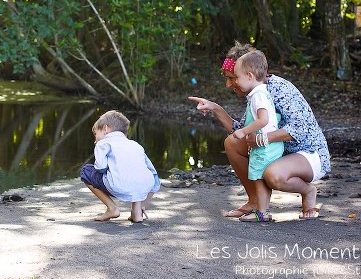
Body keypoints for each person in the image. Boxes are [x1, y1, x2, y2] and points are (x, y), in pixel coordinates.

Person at [189, 42, 331, 221]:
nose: (228, 84)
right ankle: (255, 203)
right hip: (278, 151)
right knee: (232, 142)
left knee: (273, 175)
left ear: (249, 75)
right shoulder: (255, 92)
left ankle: (308, 191)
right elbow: (241, 132)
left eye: (232, 78)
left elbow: (299, 129)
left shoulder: (278, 88)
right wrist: (216, 108)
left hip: (308, 154)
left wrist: (261, 140)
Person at [228, 50, 284, 222]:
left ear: (250, 76)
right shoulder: (258, 94)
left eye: (236, 77)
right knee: (259, 176)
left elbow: (263, 120)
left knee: (257, 177)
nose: (234, 82)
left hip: (264, 145)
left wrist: (244, 131)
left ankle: (261, 212)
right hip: (264, 144)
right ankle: (262, 210)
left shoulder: (258, 95)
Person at [79, 110, 161, 223]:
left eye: (95, 134)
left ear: (105, 129)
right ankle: (137, 213)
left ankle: (112, 209)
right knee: (136, 172)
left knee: (86, 171)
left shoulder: (103, 144)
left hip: (119, 186)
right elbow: (153, 174)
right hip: (143, 188)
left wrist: (111, 168)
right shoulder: (135, 145)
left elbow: (100, 168)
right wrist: (144, 202)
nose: (95, 140)